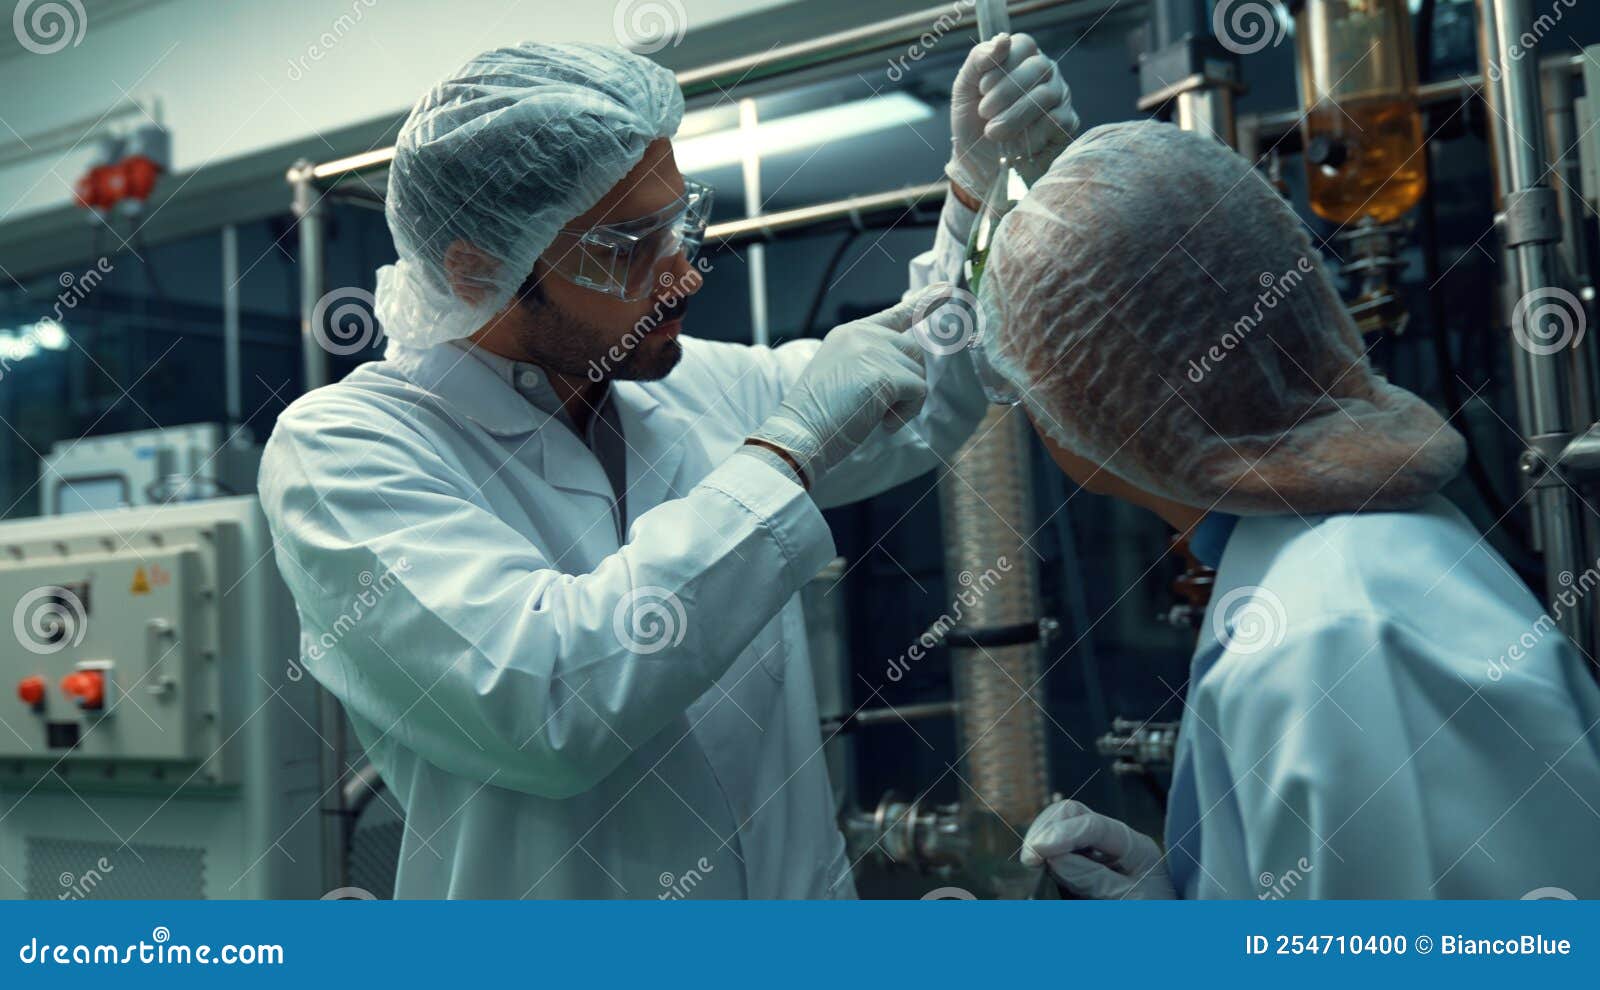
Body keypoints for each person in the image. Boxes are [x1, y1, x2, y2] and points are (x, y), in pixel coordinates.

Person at [258, 39, 1079, 898]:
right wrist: (786, 455)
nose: (682, 273)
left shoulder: (695, 384)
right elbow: (546, 706)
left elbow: (926, 391)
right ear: (477, 269)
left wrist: (974, 194)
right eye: (627, 246)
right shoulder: (345, 450)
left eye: (679, 222)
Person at [985, 121, 1600, 899]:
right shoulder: (1334, 564)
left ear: (1089, 397)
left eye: (1023, 370)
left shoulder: (1336, 635)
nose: (1025, 401)